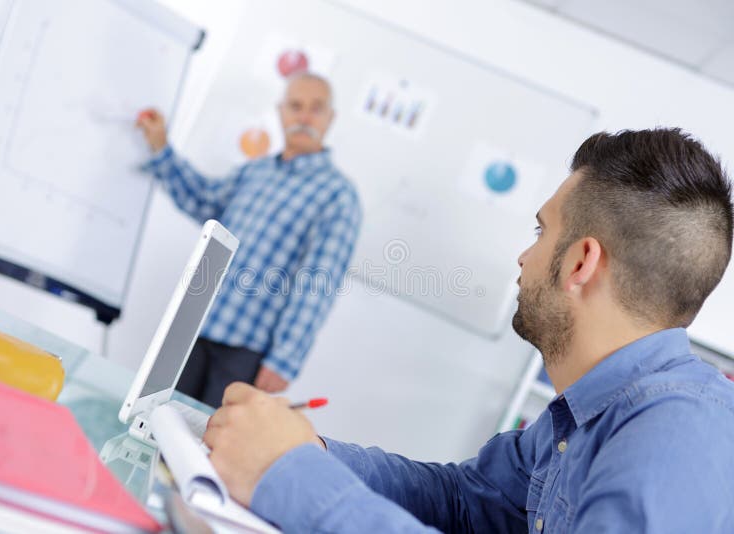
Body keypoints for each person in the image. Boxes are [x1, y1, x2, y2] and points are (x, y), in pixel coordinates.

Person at [202, 128, 734, 533]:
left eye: (540, 231)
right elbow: (467, 499)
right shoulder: (587, 412)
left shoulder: (679, 435)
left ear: (581, 263)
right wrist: (310, 450)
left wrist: (288, 474)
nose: (524, 257)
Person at [137, 73, 361, 407]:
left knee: (205, 447)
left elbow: (317, 284)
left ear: (331, 118)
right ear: (281, 111)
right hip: (195, 327)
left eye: (316, 108)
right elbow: (203, 200)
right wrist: (161, 146)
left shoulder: (338, 196)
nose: (304, 117)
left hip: (246, 354)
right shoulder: (255, 171)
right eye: (295, 106)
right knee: (152, 420)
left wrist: (285, 358)